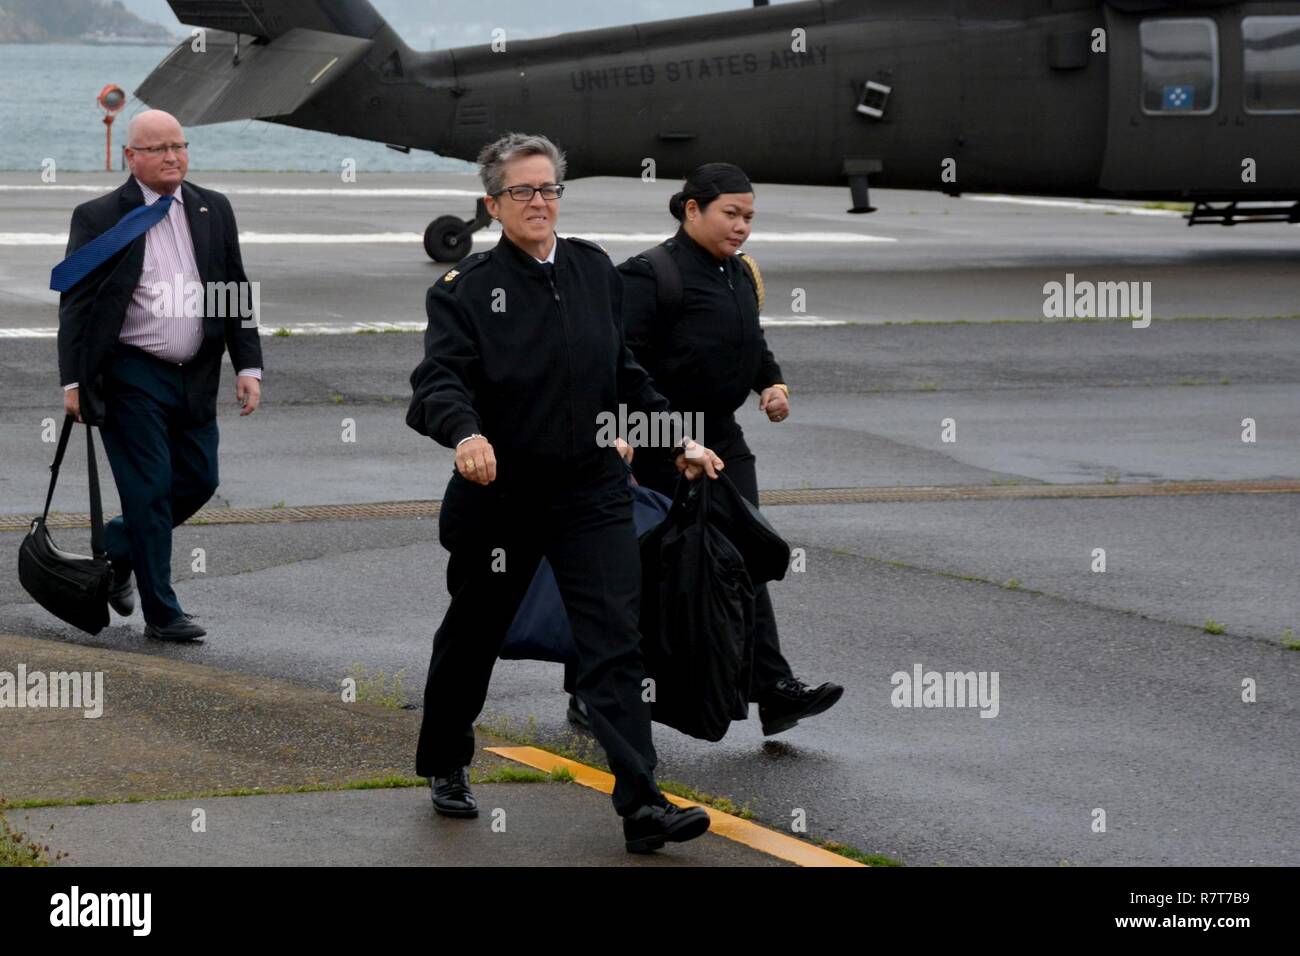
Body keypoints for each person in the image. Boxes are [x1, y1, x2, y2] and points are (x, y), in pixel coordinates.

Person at [406, 132, 727, 854]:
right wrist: (465, 435)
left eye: (549, 188)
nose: (539, 202)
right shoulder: (462, 290)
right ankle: (447, 758)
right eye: (522, 191)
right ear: (493, 204)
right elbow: (439, 381)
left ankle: (642, 804)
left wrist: (678, 438)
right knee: (475, 631)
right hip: (501, 498)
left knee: (614, 642)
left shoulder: (590, 269)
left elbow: (625, 376)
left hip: (592, 492)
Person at [576, 162, 843, 737]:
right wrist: (660, 435)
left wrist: (769, 381)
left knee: (743, 554)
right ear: (691, 210)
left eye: (748, 216)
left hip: (720, 435)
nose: (742, 226)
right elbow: (619, 364)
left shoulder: (739, 273)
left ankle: (772, 688)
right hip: (659, 439)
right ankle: (587, 680)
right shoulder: (650, 276)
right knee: (647, 569)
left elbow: (750, 336)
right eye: (731, 214)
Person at [52, 109, 263, 643]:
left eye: (179, 146)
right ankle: (163, 614)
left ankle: (117, 550)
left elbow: (234, 288)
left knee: (199, 480)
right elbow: (76, 304)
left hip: (195, 375)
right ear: (132, 158)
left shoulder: (213, 208)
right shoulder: (100, 216)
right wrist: (73, 381)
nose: (172, 157)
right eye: (158, 148)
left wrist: (248, 365)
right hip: (129, 374)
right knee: (148, 494)